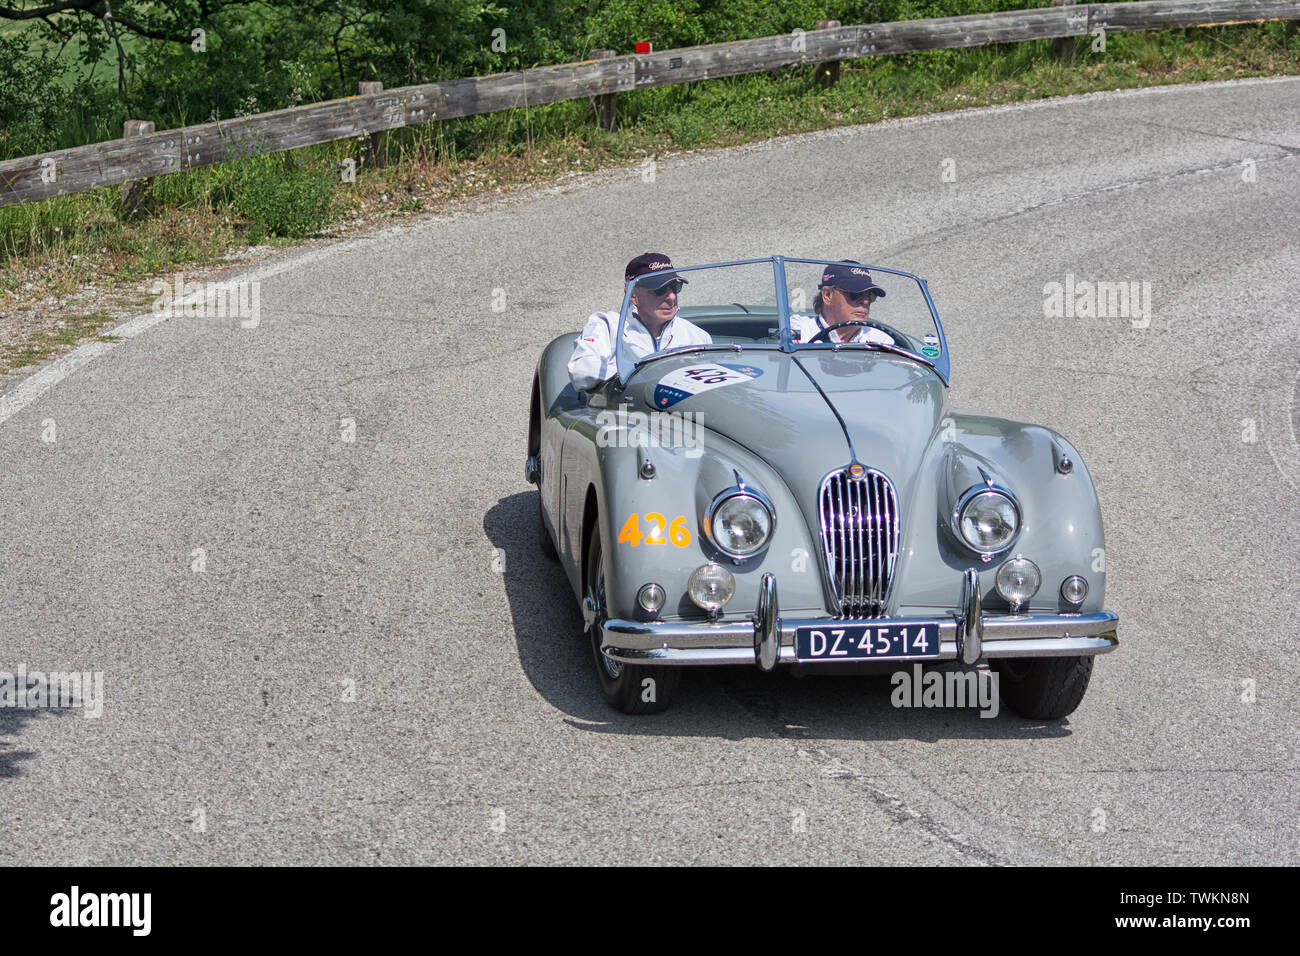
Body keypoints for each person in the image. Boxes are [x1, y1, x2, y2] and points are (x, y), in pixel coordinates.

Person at [568, 253, 712, 392]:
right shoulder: (607, 325)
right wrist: (646, 372)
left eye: (675, 287)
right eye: (659, 289)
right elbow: (581, 371)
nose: (672, 297)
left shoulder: (697, 336)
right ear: (633, 295)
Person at [790, 261, 894, 346]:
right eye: (855, 294)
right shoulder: (798, 331)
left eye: (870, 296)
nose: (866, 302)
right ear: (827, 295)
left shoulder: (881, 340)